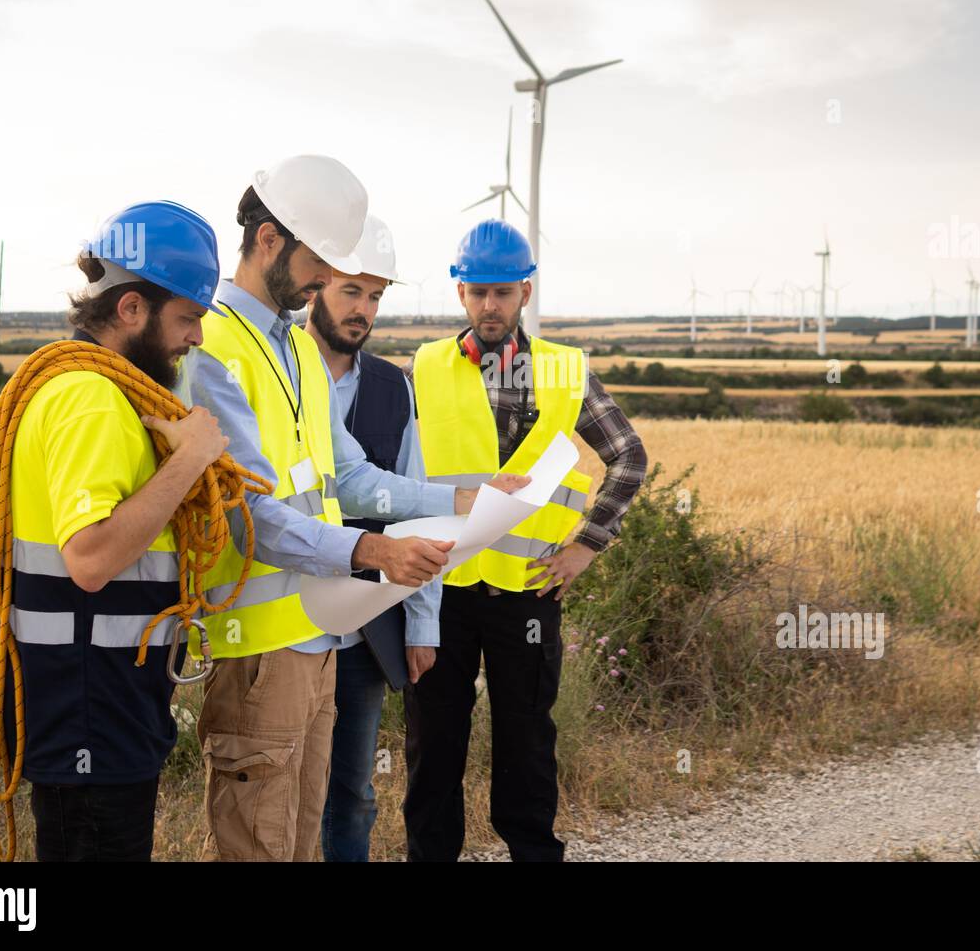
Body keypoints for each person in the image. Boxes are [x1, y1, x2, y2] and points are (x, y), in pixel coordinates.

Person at [180, 158, 526, 861]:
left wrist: (462, 499)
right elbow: (251, 515)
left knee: (307, 840)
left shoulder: (294, 351)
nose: (325, 285)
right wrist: (371, 552)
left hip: (319, 639)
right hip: (256, 649)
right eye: (324, 265)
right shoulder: (213, 348)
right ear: (271, 239)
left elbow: (351, 478)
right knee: (262, 846)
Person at [403, 218, 647, 862]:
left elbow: (628, 456)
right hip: (441, 589)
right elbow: (393, 472)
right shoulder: (424, 369)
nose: (490, 305)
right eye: (478, 291)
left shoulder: (565, 373)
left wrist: (586, 547)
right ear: (459, 293)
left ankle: (534, 854)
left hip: (527, 594)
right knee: (433, 744)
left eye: (503, 292)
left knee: (526, 742)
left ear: (525, 294)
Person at [9, 201, 229, 861]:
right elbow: (91, 557)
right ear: (131, 308)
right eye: (188, 318)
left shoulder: (99, 389)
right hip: (90, 714)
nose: (197, 338)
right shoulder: (92, 399)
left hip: (102, 708)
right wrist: (192, 458)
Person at [301, 213, 437, 862]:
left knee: (350, 792)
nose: (365, 310)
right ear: (314, 283)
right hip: (284, 618)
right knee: (281, 785)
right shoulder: (278, 375)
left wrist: (423, 623)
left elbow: (414, 506)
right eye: (352, 290)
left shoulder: (394, 388)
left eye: (377, 295)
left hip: (363, 629)